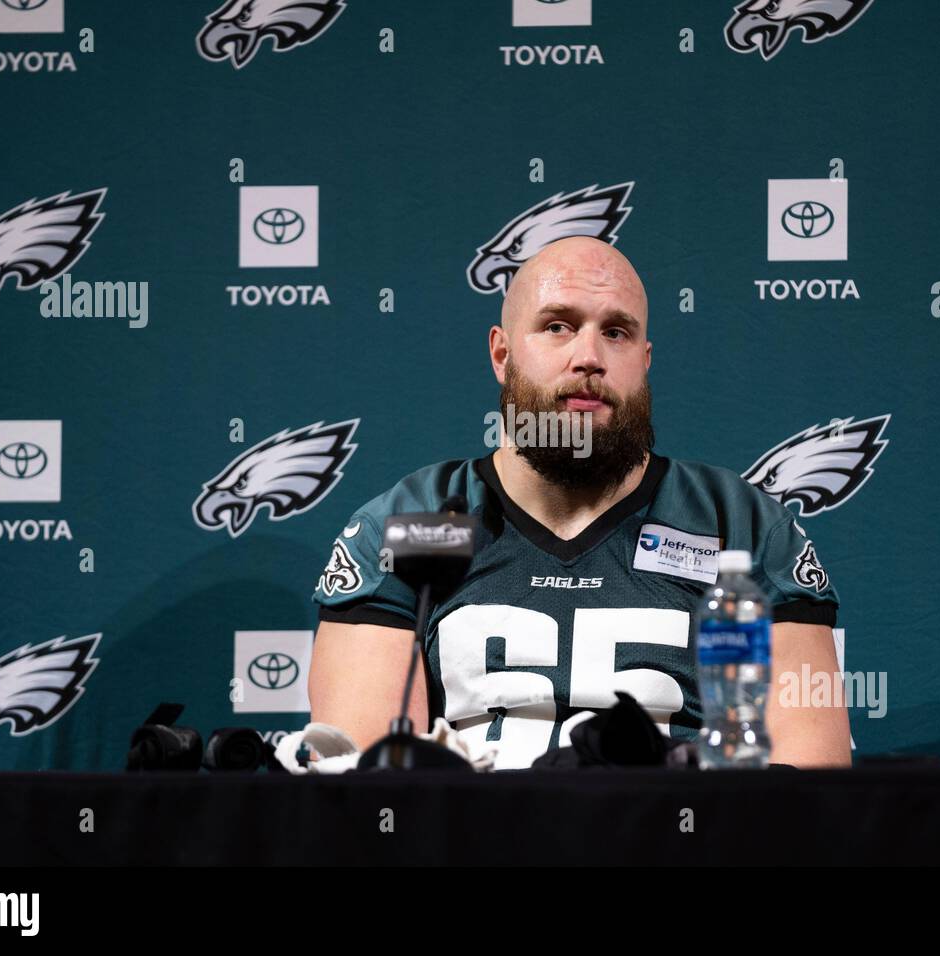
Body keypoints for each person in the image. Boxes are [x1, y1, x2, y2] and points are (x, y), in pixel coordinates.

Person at [308, 236, 851, 770]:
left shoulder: (742, 524)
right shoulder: (413, 520)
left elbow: (808, 781)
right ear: (501, 353)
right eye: (557, 326)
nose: (588, 357)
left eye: (616, 333)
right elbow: (366, 788)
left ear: (644, 359)